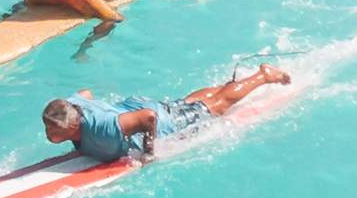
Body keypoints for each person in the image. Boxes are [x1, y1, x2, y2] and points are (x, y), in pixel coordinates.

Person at [42, 65, 291, 163]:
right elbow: (84, 93)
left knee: (216, 106)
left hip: (163, 121)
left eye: (53, 129)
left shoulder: (104, 128)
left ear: (73, 126)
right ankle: (233, 83)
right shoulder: (70, 106)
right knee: (188, 103)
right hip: (133, 108)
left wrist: (149, 151)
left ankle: (264, 76)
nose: (48, 132)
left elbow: (148, 117)